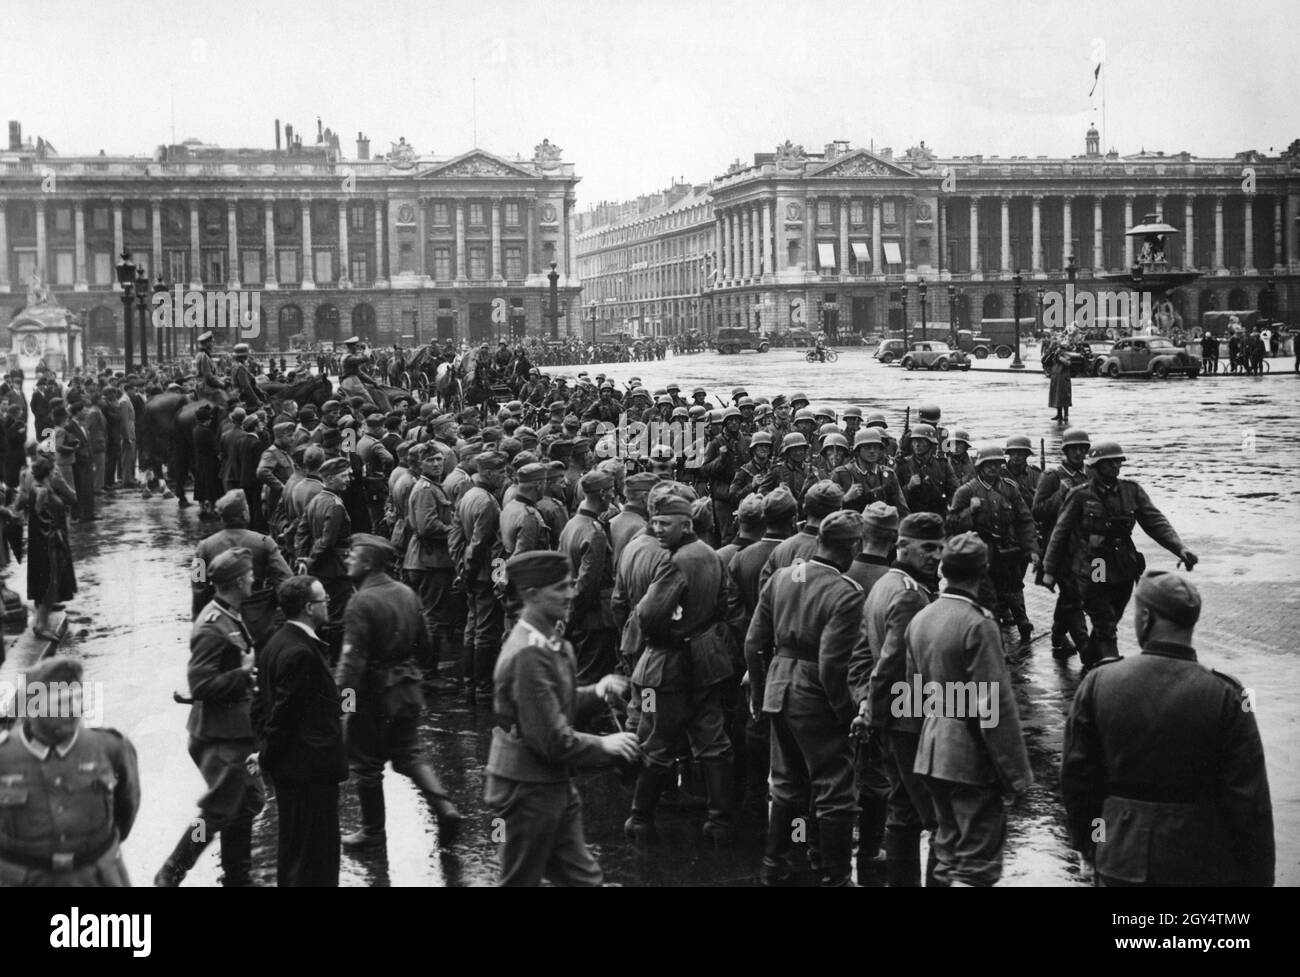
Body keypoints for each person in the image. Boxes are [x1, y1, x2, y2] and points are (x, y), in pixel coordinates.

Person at [1060, 571, 1274, 886]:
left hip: (1120, 856)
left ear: (1145, 619)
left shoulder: (1099, 683)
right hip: (1201, 863)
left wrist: (1091, 844)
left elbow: (1078, 780)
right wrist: (1258, 877)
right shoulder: (1229, 695)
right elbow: (1249, 800)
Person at [486, 550, 640, 886]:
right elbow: (552, 738)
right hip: (527, 791)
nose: (571, 593)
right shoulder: (530, 652)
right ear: (531, 595)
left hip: (551, 785)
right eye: (561, 588)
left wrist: (596, 692)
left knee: (585, 880)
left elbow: (556, 702)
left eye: (570, 584)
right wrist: (605, 745)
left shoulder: (548, 641)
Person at [746, 510, 868, 886]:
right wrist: (844, 710)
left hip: (778, 688)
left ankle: (776, 863)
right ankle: (834, 875)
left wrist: (758, 693)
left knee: (788, 784)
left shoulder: (784, 576)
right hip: (815, 694)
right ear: (853, 547)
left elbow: (753, 643)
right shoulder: (845, 591)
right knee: (833, 789)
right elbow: (832, 664)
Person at [907, 533, 1032, 887]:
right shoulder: (978, 623)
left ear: (944, 569)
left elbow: (909, 692)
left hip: (931, 748)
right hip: (968, 754)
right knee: (977, 862)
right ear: (984, 570)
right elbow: (993, 706)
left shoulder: (922, 616)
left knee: (947, 850)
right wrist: (1017, 774)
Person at [335, 534, 463, 850]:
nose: (348, 559)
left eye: (353, 555)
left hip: (373, 694)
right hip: (408, 688)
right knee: (409, 754)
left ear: (368, 563)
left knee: (366, 764)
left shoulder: (360, 602)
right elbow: (425, 642)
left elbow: (352, 662)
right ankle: (445, 808)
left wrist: (344, 705)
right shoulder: (407, 593)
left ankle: (373, 832)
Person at [156, 548, 266, 887]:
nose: (253, 579)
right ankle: (172, 871)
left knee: (246, 803)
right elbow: (200, 684)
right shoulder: (212, 626)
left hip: (234, 732)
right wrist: (243, 674)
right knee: (219, 810)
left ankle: (238, 877)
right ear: (236, 581)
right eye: (248, 575)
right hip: (219, 739)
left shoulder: (228, 614)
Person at [849, 509, 945, 887]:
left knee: (903, 809)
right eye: (927, 548)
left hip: (892, 714)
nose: (935, 556)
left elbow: (860, 655)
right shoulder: (909, 596)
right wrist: (870, 709)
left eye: (939, 548)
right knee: (940, 817)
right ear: (901, 546)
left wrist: (864, 702)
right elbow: (889, 662)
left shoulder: (886, 585)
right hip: (912, 716)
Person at [1042, 441, 1198, 671]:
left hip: (1124, 564)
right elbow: (1060, 533)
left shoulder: (1131, 491)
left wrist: (1180, 548)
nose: (1115, 466)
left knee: (1113, 615)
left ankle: (1091, 658)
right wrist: (1049, 570)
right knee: (1103, 616)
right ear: (1095, 466)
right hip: (1095, 564)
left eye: (1118, 462)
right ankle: (1110, 667)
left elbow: (1155, 522)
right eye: (1108, 463)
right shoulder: (1080, 495)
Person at [0, 656, 141, 887]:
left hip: (97, 878)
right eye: (62, 701)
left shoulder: (111, 747)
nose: (73, 709)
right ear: (33, 706)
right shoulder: (4, 756)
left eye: (77, 698)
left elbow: (126, 809)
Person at [256, 575, 346, 887]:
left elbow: (261, 705)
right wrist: (267, 754)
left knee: (295, 852)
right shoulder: (301, 653)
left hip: (293, 771)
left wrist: (264, 751)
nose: (329, 603)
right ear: (308, 608)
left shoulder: (277, 642)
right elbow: (283, 716)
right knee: (315, 860)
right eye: (324, 600)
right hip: (310, 772)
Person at [18, 455, 77, 640]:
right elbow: (44, 521)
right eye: (54, 471)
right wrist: (56, 540)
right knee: (48, 586)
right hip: (49, 546)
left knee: (48, 586)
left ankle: (41, 623)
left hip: (46, 544)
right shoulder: (42, 492)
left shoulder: (41, 489)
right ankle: (41, 626)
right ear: (48, 472)